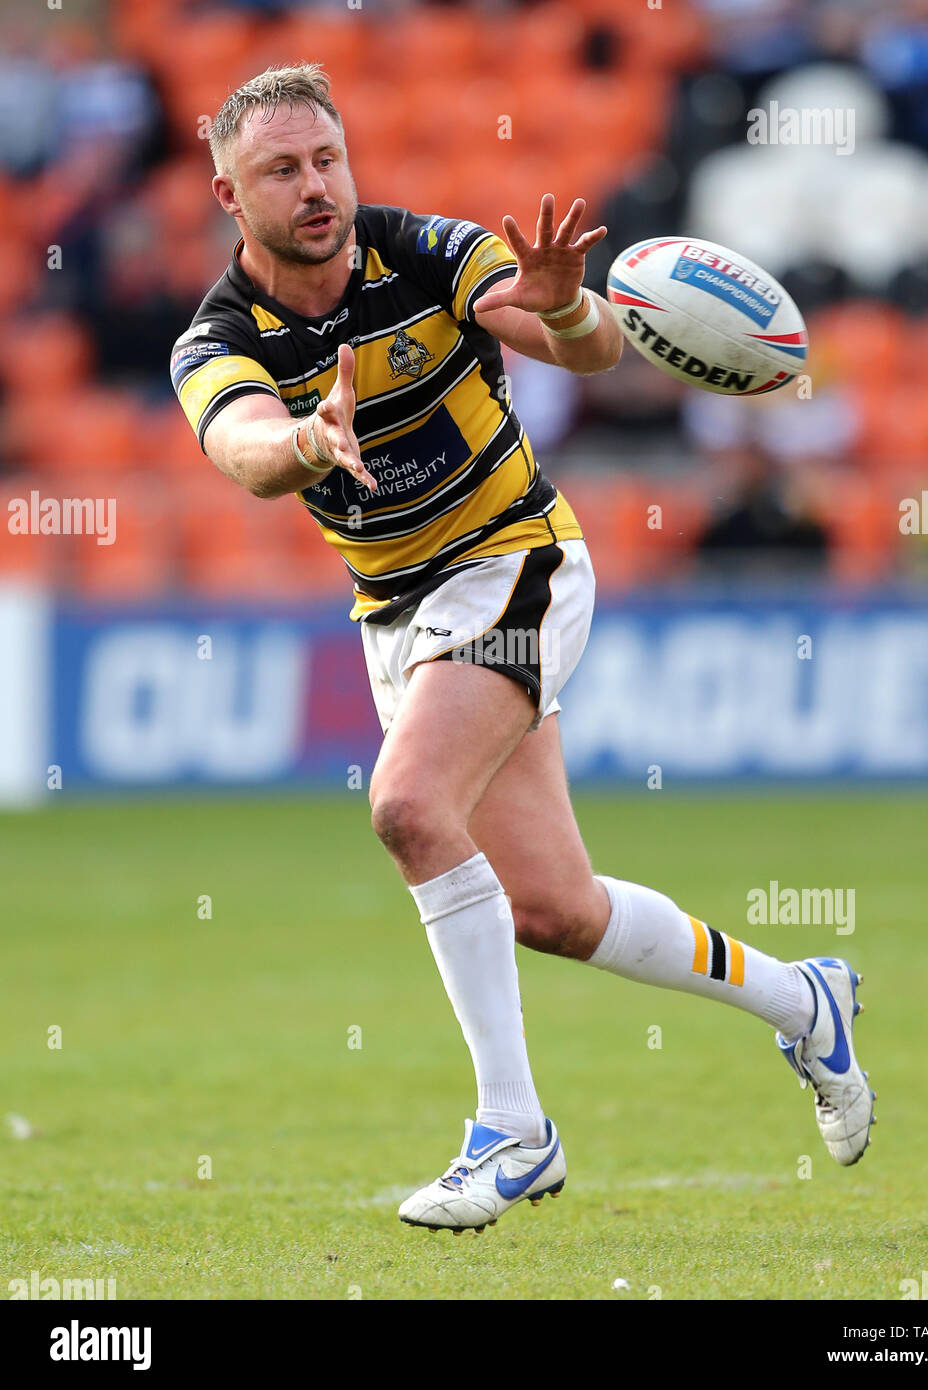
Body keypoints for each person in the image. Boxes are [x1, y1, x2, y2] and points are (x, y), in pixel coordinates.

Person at [170, 64, 874, 1235]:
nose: (315, 187)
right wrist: (304, 435)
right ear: (226, 195)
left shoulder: (429, 252)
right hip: (397, 617)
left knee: (406, 807)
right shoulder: (216, 336)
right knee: (554, 907)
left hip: (516, 564)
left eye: (327, 160)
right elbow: (244, 453)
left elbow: (592, 350)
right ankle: (805, 1000)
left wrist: (561, 306)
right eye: (282, 171)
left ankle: (514, 1131)